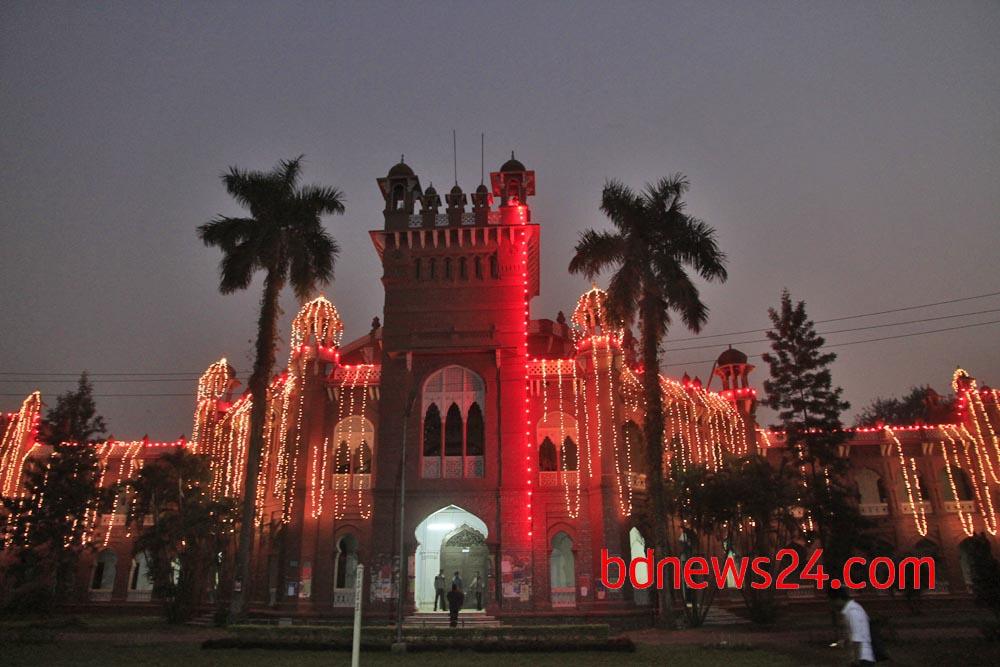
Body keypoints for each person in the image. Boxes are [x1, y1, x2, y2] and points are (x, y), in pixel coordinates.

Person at [833, 592, 876, 666]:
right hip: (862, 657)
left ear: (839, 599)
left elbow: (857, 639)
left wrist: (856, 661)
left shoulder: (853, 612)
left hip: (862, 658)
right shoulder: (854, 610)